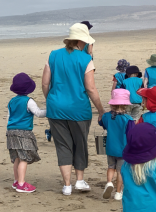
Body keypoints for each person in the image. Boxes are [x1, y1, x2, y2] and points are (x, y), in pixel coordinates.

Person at [42, 23, 107, 195]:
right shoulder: (86, 59)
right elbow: (91, 89)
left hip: (56, 108)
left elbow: (45, 83)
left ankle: (66, 185)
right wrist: (101, 110)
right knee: (80, 144)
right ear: (82, 41)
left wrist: (51, 99)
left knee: (62, 145)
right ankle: (79, 180)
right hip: (79, 109)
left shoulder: (53, 55)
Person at [6, 73, 46, 193]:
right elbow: (38, 113)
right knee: (24, 158)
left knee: (17, 158)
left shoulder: (12, 101)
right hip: (23, 132)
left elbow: (8, 117)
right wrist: (49, 110)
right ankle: (22, 183)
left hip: (11, 131)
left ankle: (16, 180)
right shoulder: (28, 101)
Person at [99, 89, 134, 200]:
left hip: (110, 147)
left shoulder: (107, 116)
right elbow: (131, 134)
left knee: (110, 167)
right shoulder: (128, 119)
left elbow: (102, 123)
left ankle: (109, 183)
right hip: (123, 149)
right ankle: (118, 192)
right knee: (120, 171)